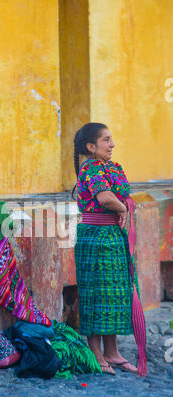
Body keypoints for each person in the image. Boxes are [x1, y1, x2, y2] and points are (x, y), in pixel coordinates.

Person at [73, 122, 147, 376]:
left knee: (114, 294)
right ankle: (95, 351)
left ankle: (112, 352)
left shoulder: (114, 168)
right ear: (91, 147)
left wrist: (123, 205)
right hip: (96, 239)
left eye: (111, 139)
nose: (112, 144)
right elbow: (105, 198)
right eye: (106, 140)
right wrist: (123, 208)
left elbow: (120, 195)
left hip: (115, 239)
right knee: (96, 294)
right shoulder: (90, 169)